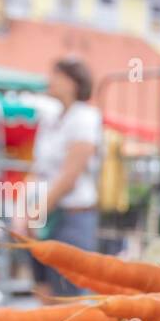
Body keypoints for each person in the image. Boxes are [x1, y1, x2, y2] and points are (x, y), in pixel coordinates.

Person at [20, 57, 102, 296]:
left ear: (73, 83)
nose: (51, 81)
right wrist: (24, 211)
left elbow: (70, 176)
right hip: (44, 216)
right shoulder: (50, 118)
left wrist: (35, 213)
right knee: (43, 287)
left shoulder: (85, 117)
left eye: (57, 76)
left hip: (71, 218)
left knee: (69, 293)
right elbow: (37, 170)